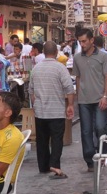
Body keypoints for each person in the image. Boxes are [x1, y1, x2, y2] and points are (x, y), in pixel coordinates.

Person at [29, 41, 75, 178]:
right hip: (56, 110)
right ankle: (54, 164)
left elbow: (31, 90)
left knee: (42, 140)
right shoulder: (60, 68)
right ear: (56, 53)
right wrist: (70, 105)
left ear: (43, 52)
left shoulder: (36, 68)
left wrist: (35, 104)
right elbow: (69, 88)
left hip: (40, 111)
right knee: (56, 139)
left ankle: (43, 166)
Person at [73, 28, 107, 172]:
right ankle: (90, 160)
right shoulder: (77, 58)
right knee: (85, 131)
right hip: (84, 100)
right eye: (80, 42)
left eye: (84, 41)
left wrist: (105, 96)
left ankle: (103, 154)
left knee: (100, 127)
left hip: (99, 99)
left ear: (91, 40)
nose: (82, 44)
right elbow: (78, 77)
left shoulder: (103, 56)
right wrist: (78, 97)